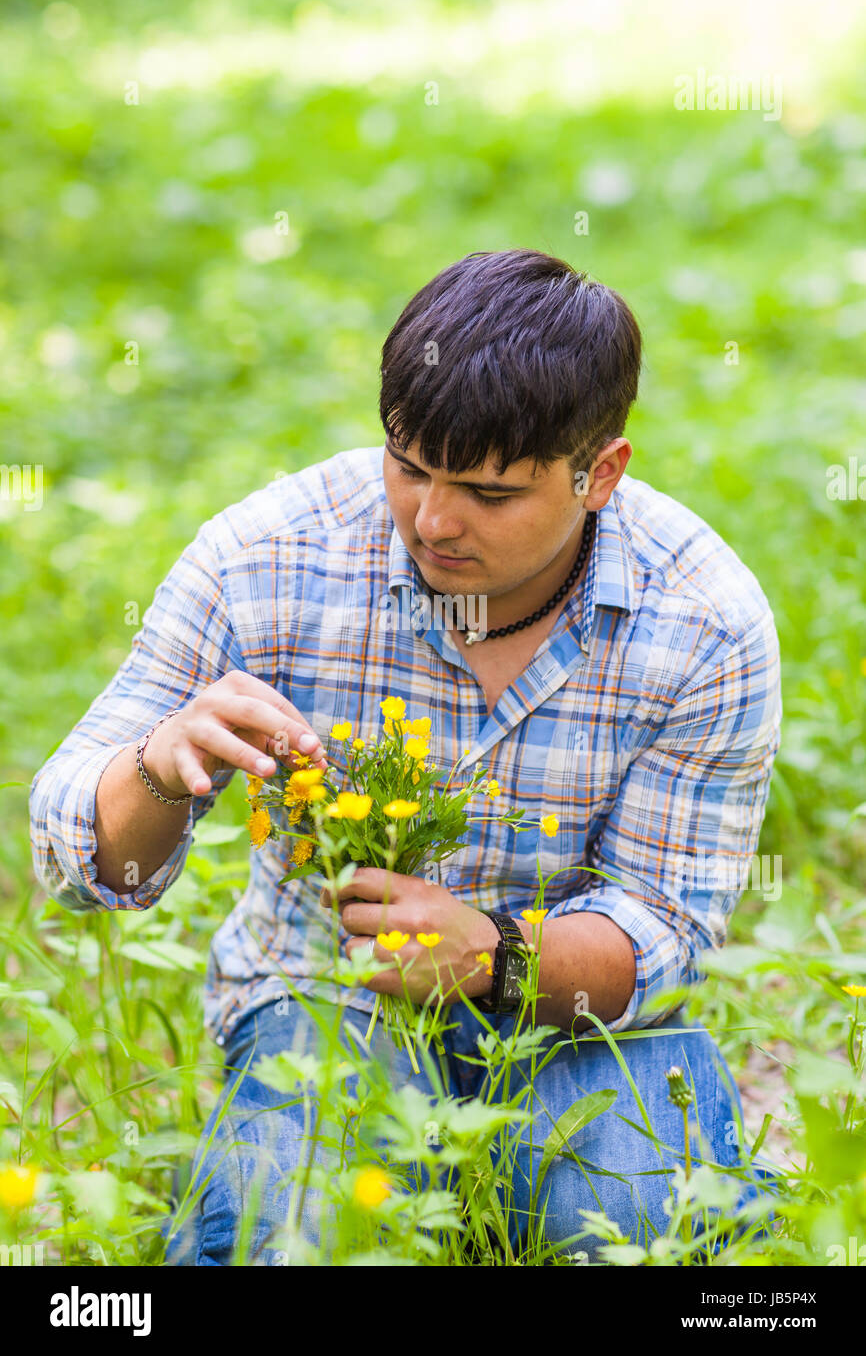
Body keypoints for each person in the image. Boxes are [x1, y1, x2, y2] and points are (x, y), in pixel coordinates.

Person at [29, 248, 782, 1265]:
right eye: (409, 466)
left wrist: (491, 953)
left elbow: (664, 922)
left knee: (636, 1236)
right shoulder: (269, 556)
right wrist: (159, 765)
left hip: (580, 1022)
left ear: (597, 473)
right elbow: (76, 860)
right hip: (325, 990)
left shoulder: (703, 620)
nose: (430, 520)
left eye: (486, 492)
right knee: (294, 1237)